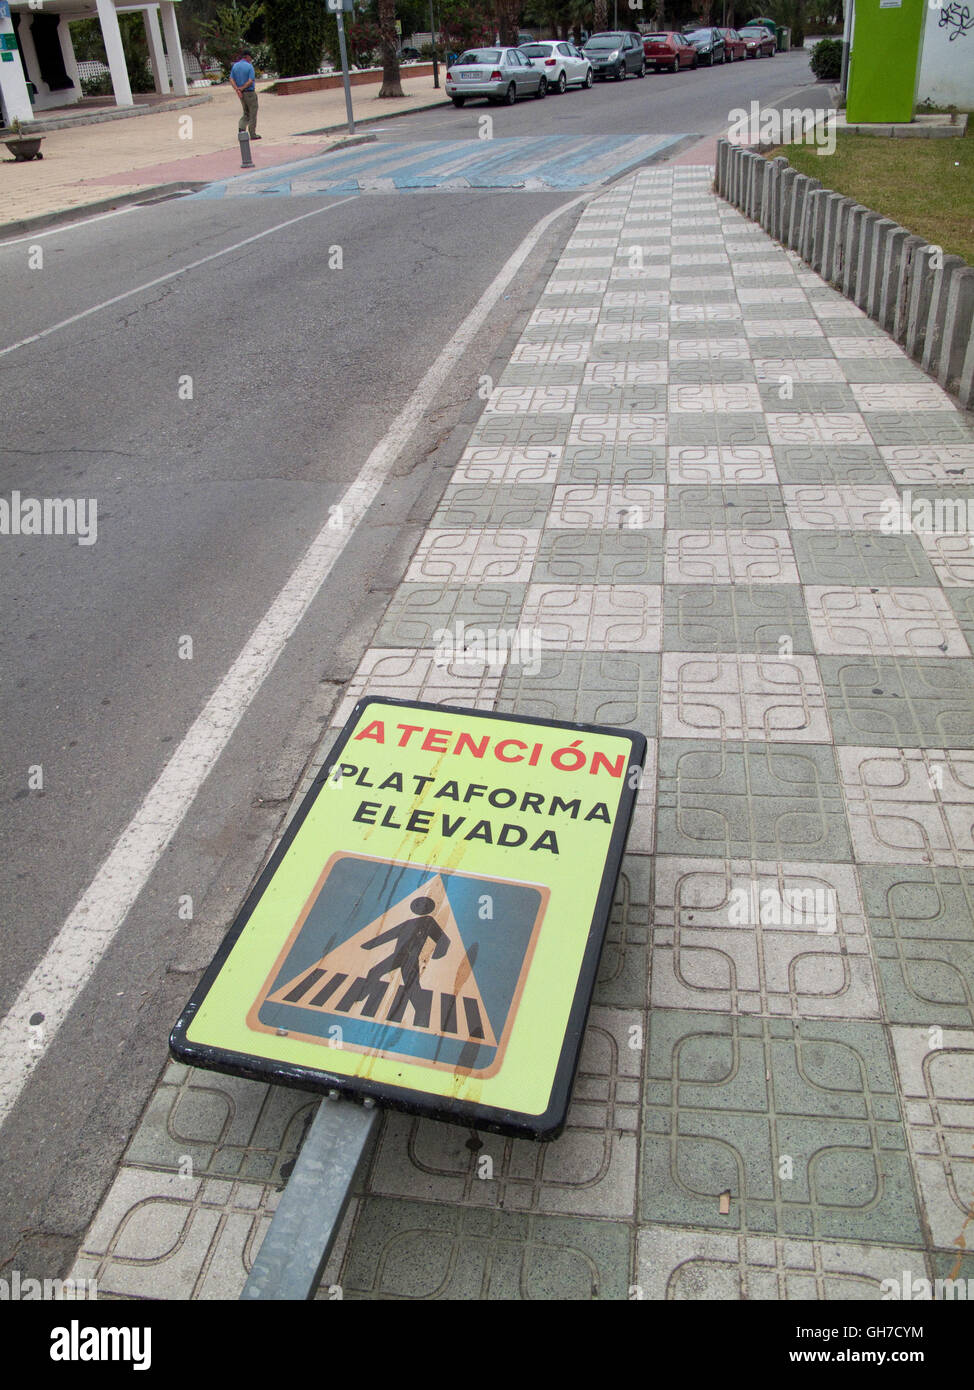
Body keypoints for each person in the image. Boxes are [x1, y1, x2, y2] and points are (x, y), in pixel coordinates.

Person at [229, 50, 260, 140]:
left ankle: (241, 129)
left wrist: (237, 89)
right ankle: (252, 133)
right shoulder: (249, 66)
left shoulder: (235, 66)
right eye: (250, 57)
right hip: (249, 92)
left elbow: (231, 79)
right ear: (247, 56)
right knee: (252, 113)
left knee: (246, 112)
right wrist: (242, 88)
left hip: (241, 94)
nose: (251, 59)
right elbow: (250, 81)